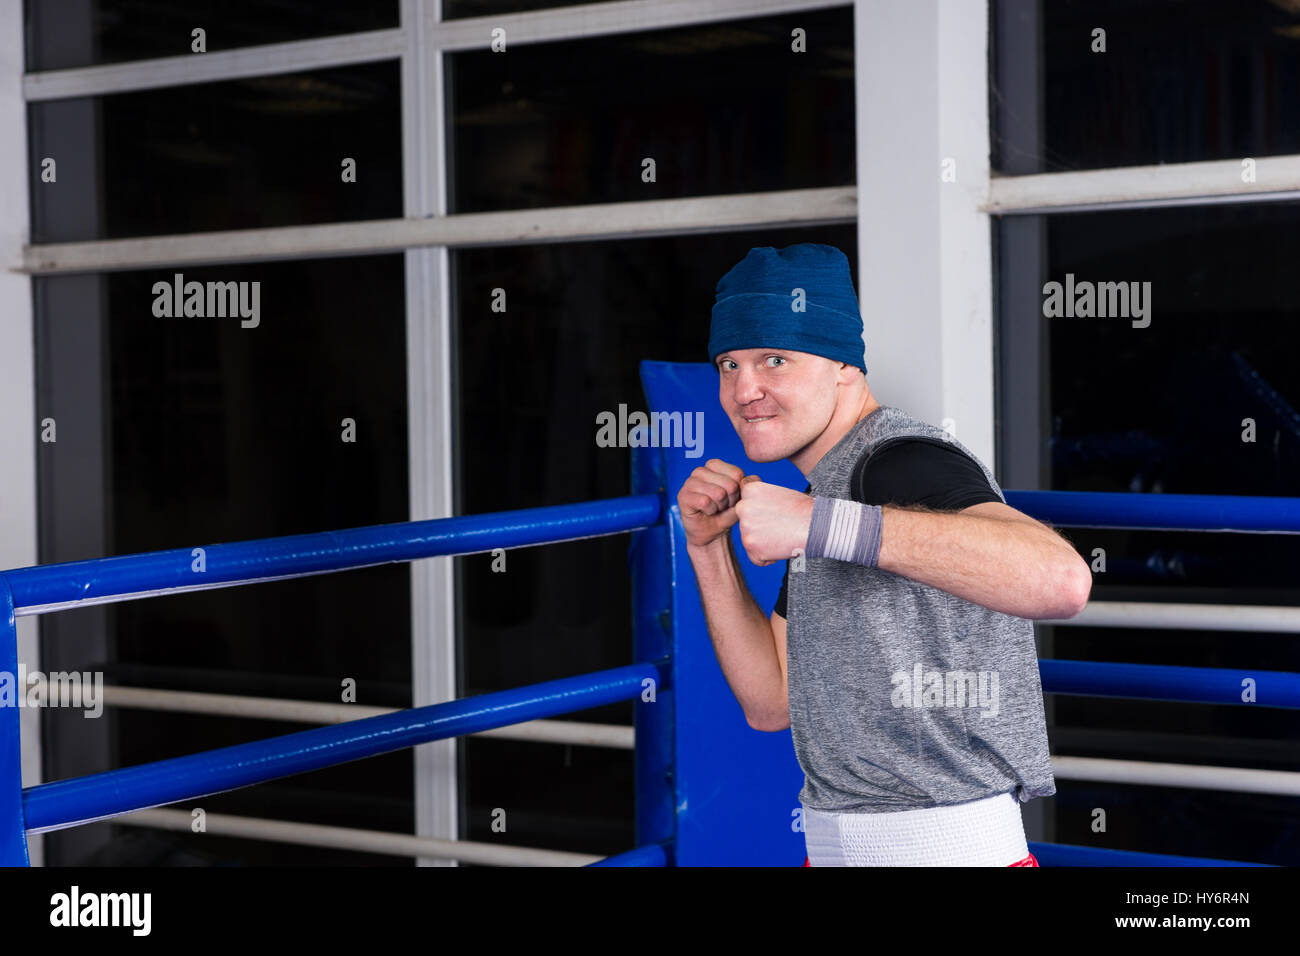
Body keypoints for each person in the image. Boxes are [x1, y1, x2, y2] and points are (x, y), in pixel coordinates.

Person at [676, 243, 1091, 866]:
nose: (745, 388)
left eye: (775, 360)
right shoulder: (830, 492)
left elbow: (1061, 580)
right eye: (729, 364)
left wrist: (816, 522)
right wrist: (707, 549)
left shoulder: (899, 460)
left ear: (844, 365)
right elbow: (771, 702)